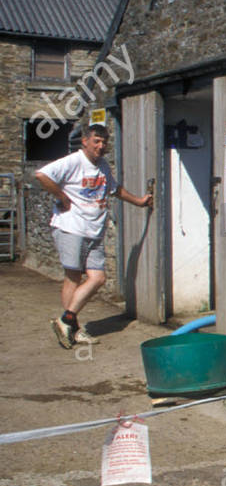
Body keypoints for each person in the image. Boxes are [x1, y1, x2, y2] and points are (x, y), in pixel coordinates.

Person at [34, 123, 152, 348]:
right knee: (73, 277)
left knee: (98, 278)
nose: (101, 145)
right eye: (96, 141)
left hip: (94, 229)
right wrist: (61, 195)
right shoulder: (74, 161)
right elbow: (42, 175)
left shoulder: (103, 165)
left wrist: (139, 201)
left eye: (104, 141)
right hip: (71, 227)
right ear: (85, 141)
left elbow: (114, 189)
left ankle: (65, 321)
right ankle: (72, 330)